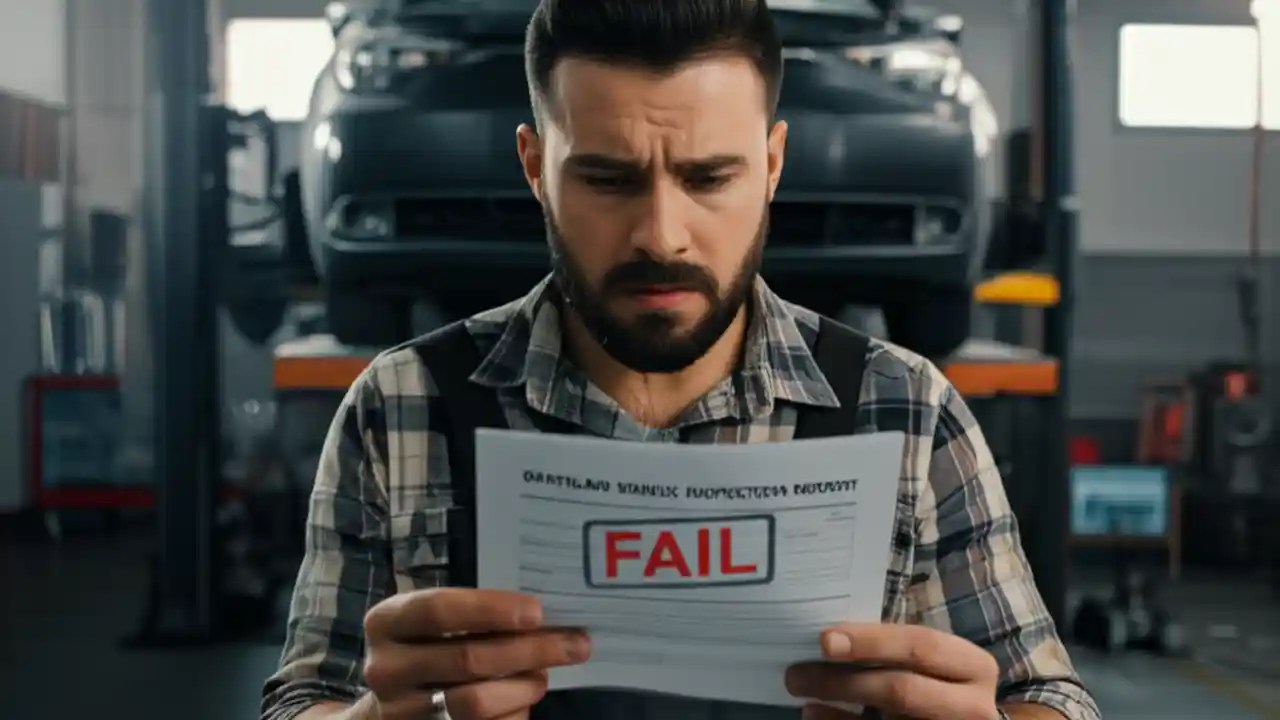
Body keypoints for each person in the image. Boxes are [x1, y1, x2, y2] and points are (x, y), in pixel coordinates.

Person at [263, 1, 1100, 718]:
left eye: (709, 178)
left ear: (772, 165)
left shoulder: (907, 410)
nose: (662, 237)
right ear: (536, 168)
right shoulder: (403, 407)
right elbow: (306, 698)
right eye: (608, 180)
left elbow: (1050, 697)